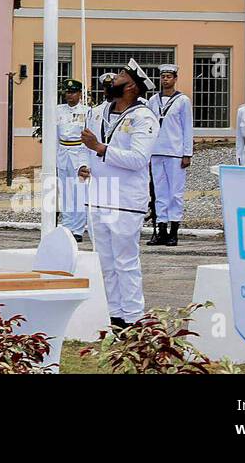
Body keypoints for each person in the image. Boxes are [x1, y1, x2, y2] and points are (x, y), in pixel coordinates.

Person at [78, 59, 158, 328]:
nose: (115, 77)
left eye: (122, 75)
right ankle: (114, 314)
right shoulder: (100, 111)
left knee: (125, 261)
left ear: (132, 86)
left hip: (125, 198)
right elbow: (86, 146)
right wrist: (84, 163)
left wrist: (100, 149)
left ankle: (134, 317)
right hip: (99, 194)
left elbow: (138, 158)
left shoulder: (143, 117)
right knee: (106, 261)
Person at [147, 64, 193, 247]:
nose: (165, 79)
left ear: (175, 79)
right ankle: (161, 230)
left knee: (175, 193)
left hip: (175, 151)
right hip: (156, 151)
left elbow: (187, 127)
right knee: (159, 193)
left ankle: (174, 231)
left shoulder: (182, 101)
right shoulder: (153, 100)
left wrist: (187, 153)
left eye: (169, 76)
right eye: (163, 76)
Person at [56, 79, 90, 242]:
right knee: (65, 191)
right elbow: (55, 135)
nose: (69, 95)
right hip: (63, 153)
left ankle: (77, 229)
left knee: (79, 192)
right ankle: (67, 226)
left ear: (79, 94)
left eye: (73, 92)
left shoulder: (87, 112)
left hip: (79, 152)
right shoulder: (58, 110)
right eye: (67, 92)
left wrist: (86, 161)